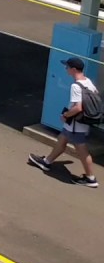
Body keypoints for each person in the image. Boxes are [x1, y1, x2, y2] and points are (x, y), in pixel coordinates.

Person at [28, 57, 99, 188]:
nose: (65, 69)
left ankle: (91, 178)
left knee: (81, 149)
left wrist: (66, 115)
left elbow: (78, 107)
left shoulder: (76, 86)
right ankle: (46, 162)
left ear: (73, 69)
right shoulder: (88, 82)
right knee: (62, 139)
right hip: (79, 122)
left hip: (75, 123)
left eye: (67, 67)